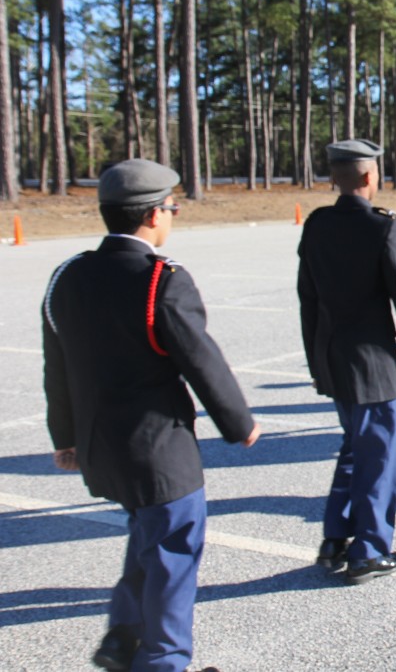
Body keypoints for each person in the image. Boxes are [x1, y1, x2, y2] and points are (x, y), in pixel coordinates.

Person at [43, 159, 260, 672]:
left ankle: (122, 637)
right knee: (173, 554)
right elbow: (201, 359)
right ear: (153, 216)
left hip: (102, 448)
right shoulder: (161, 279)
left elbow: (57, 366)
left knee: (146, 537)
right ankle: (163, 662)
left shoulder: (67, 276)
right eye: (172, 207)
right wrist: (239, 423)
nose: (174, 215)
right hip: (159, 452)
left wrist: (66, 437)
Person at [297, 138, 396, 586]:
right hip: (373, 360)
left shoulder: (317, 223)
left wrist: (315, 359)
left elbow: (307, 299)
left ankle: (335, 536)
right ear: (367, 177)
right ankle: (369, 551)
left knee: (355, 447)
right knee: (378, 455)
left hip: (333, 357)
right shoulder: (385, 227)